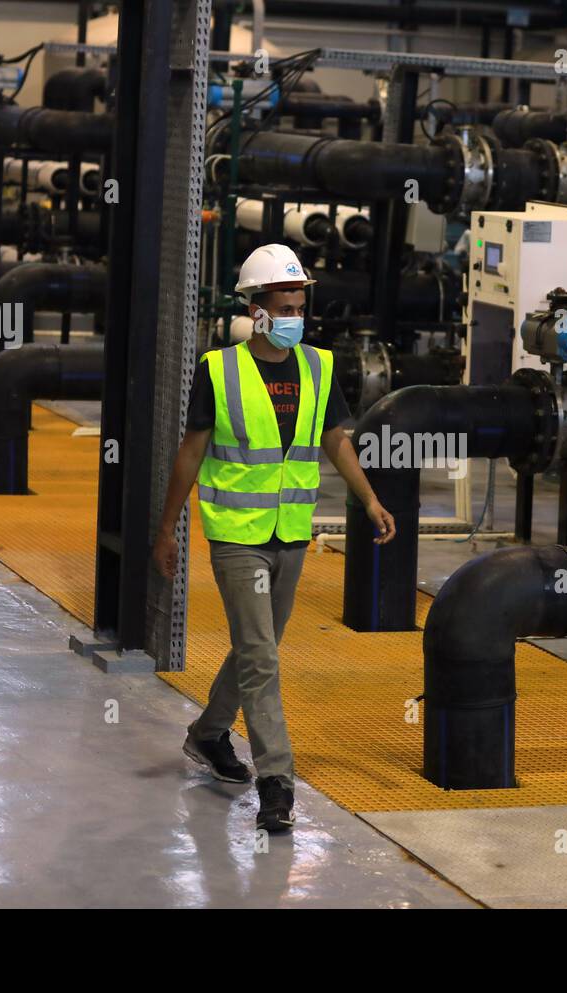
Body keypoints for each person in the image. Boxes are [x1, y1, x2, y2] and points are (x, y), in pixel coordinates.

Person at [153, 243, 396, 832]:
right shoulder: (219, 370)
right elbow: (191, 453)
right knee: (261, 655)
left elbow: (335, 438)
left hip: (291, 532)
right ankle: (277, 782)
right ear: (256, 309)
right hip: (237, 535)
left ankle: (208, 734)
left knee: (257, 648)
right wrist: (167, 528)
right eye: (285, 304)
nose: (295, 314)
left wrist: (368, 498)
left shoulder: (318, 366)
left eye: (299, 303)